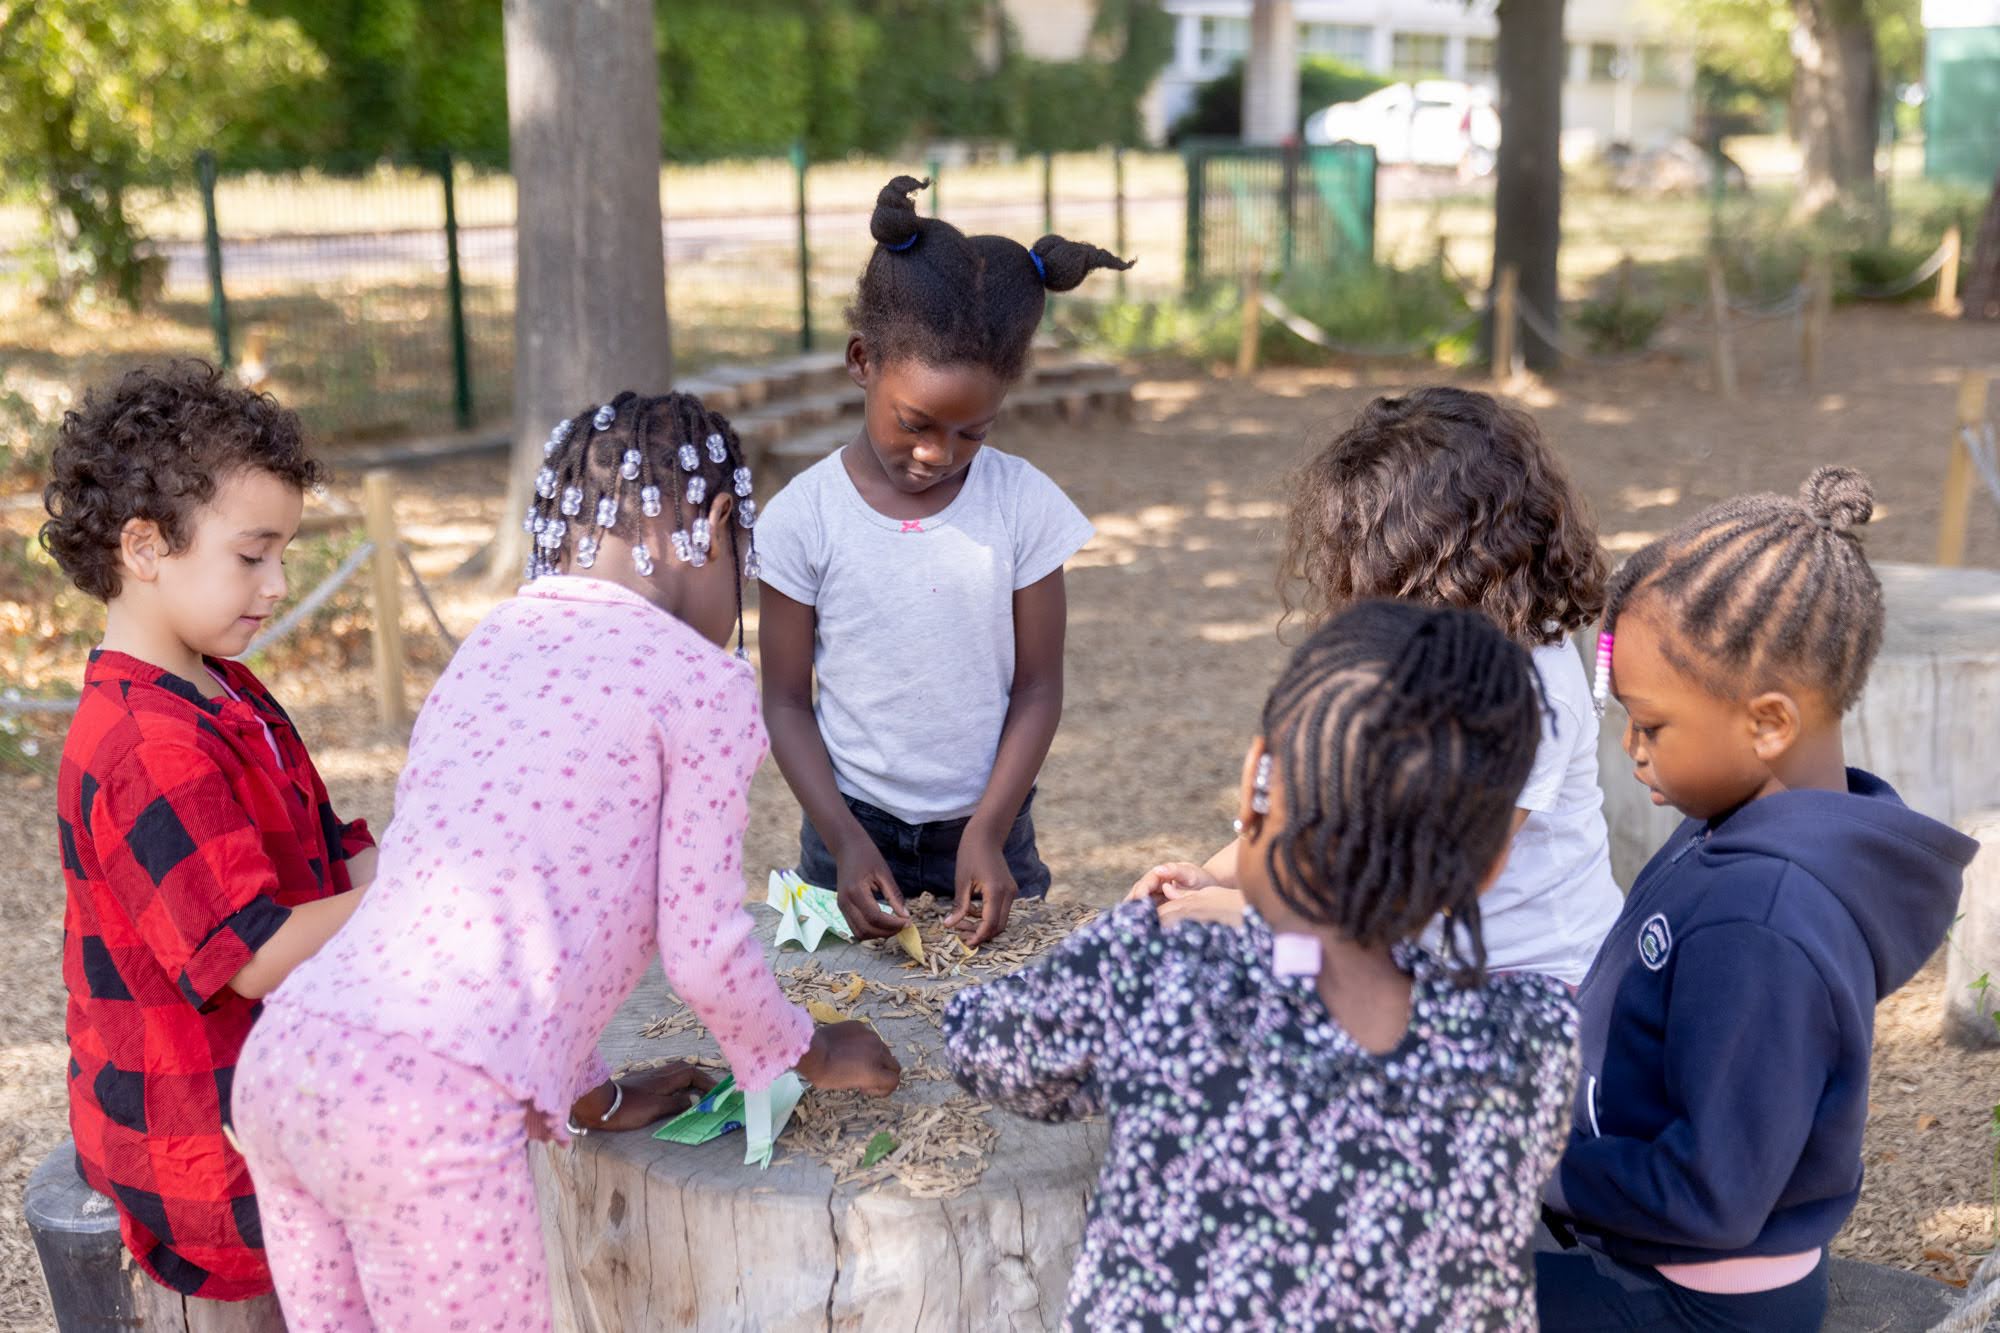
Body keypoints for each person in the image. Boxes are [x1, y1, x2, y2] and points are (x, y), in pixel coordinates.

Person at [231, 392, 901, 1332]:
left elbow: (520, 907)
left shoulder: (495, 644)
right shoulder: (703, 682)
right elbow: (704, 948)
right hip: (427, 1102)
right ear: (712, 526)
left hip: (287, 1059)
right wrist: (811, 1050)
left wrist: (595, 1093)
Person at [945, 600, 1581, 1329]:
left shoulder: (1161, 970)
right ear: (1490, 864)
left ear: (1255, 779)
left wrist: (1206, 942)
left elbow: (982, 1043)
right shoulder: (1533, 1034)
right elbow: (1346, 976)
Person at [1537, 467, 1976, 1330]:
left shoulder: (1765, 918)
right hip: (1639, 1239)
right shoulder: (1734, 825)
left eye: (1651, 724)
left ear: (1769, 722)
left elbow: (1713, 1193)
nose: (1631, 747)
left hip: (1690, 1299)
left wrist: (1525, 1166)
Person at [41, 361, 377, 1306]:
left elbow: (326, 846)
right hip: (215, 1162)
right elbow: (253, 957)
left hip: (281, 1081)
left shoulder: (219, 682)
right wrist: (412, 894)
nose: (278, 584)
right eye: (252, 556)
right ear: (144, 546)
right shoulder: (145, 746)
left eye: (286, 555)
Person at [1130, 387, 1620, 987]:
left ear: (1441, 570)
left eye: (1373, 571)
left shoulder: (1532, 691)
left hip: (1530, 984)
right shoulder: (1404, 662)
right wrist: (1212, 877)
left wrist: (1248, 913)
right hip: (1400, 956)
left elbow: (1426, 883)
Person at [758, 175, 1128, 947]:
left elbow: (1038, 686)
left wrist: (988, 830)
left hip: (991, 829)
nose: (937, 453)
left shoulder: (1023, 505)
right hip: (845, 833)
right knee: (838, 1004)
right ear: (862, 360)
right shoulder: (803, 516)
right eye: (915, 422)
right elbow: (786, 701)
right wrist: (843, 839)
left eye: (972, 433)